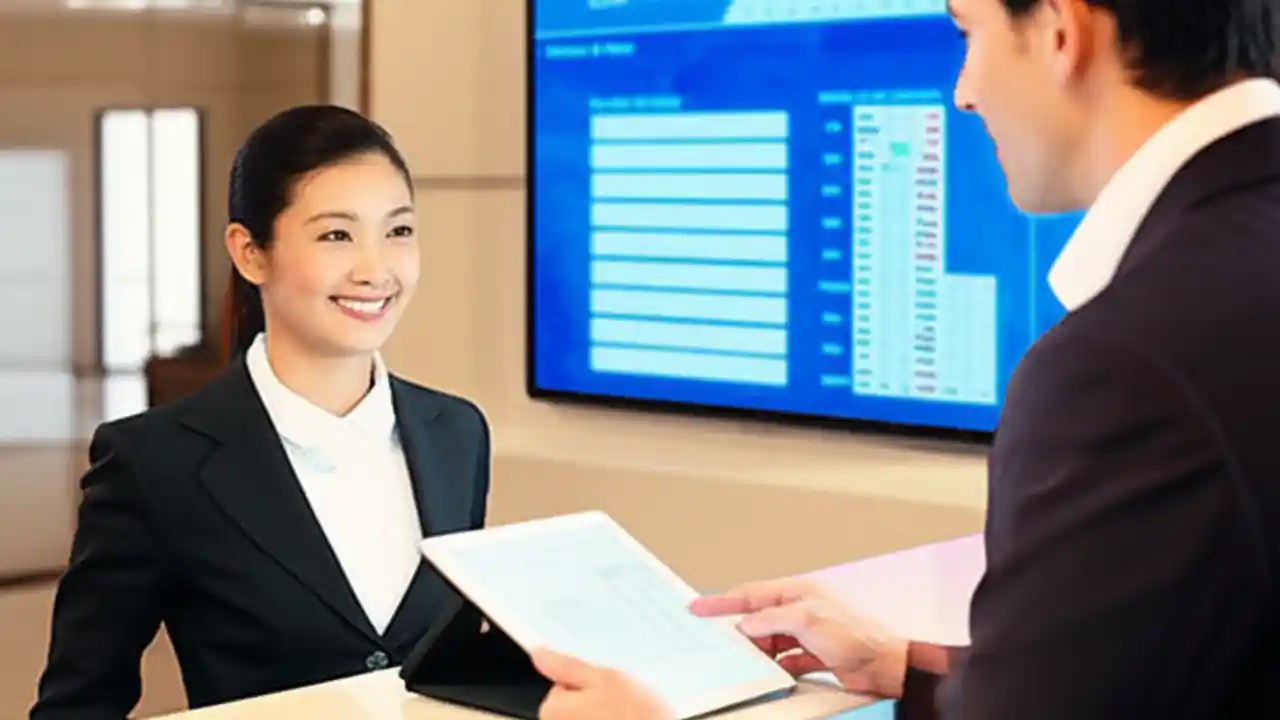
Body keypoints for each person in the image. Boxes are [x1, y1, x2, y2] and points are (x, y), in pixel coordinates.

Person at [531, 0, 1280, 717]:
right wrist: (908, 669)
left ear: (1060, 29)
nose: (964, 92)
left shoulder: (1124, 370)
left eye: (967, 33)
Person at [31, 106, 491, 717]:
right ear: (250, 253)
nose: (376, 269)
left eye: (398, 230)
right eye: (336, 235)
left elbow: (454, 669)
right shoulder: (156, 461)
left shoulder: (457, 432)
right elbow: (78, 703)